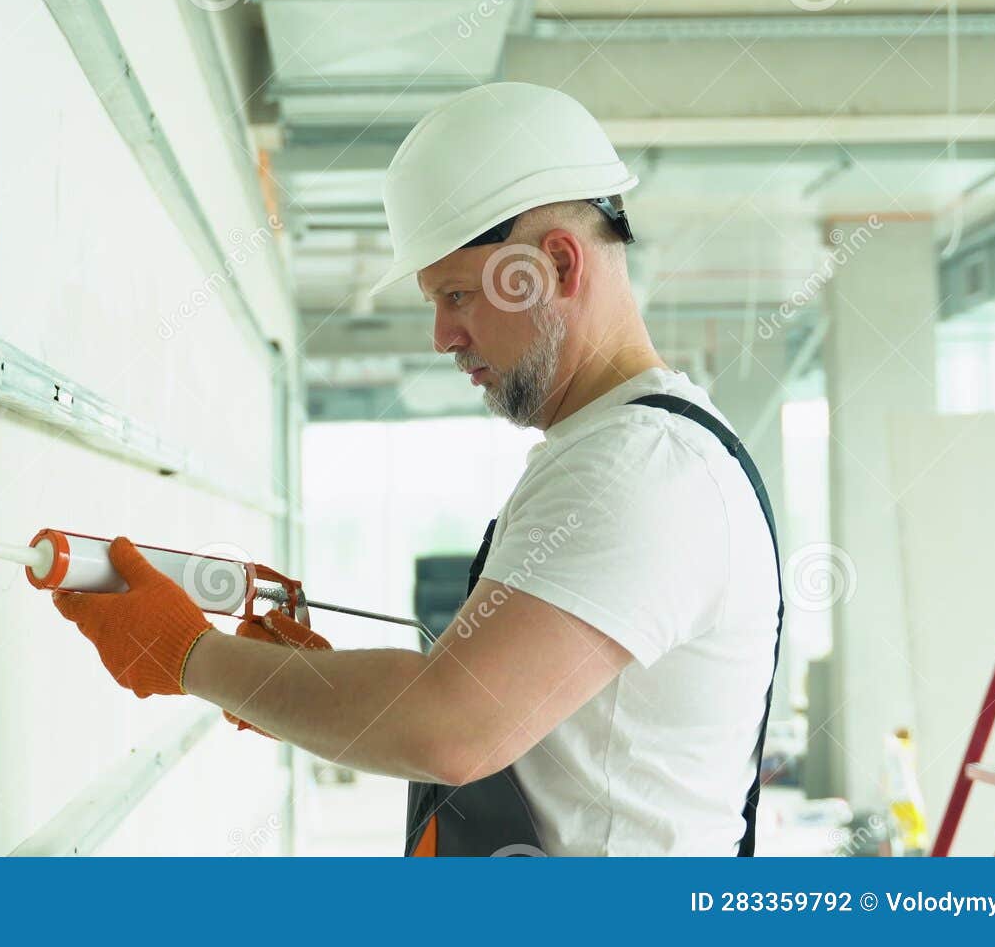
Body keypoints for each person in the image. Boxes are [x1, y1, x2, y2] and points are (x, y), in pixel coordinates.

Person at [51, 82, 783, 856]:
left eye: (457, 295)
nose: (442, 336)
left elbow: (450, 728)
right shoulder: (628, 453)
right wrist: (298, 690)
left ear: (558, 265)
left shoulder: (639, 469)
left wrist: (190, 655)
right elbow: (490, 714)